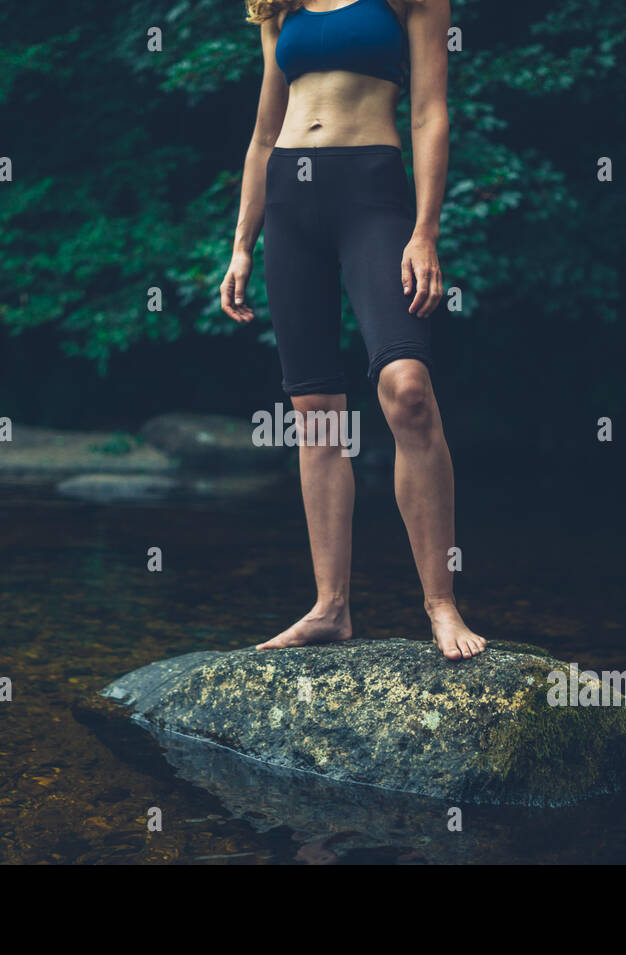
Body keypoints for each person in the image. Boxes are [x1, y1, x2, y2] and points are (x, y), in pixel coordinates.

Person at [220, 0, 485, 660]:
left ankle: (441, 603)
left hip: (372, 194)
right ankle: (331, 607)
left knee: (407, 389)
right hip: (288, 198)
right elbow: (262, 131)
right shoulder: (277, 6)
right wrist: (241, 243)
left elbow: (429, 112)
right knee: (316, 413)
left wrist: (425, 230)